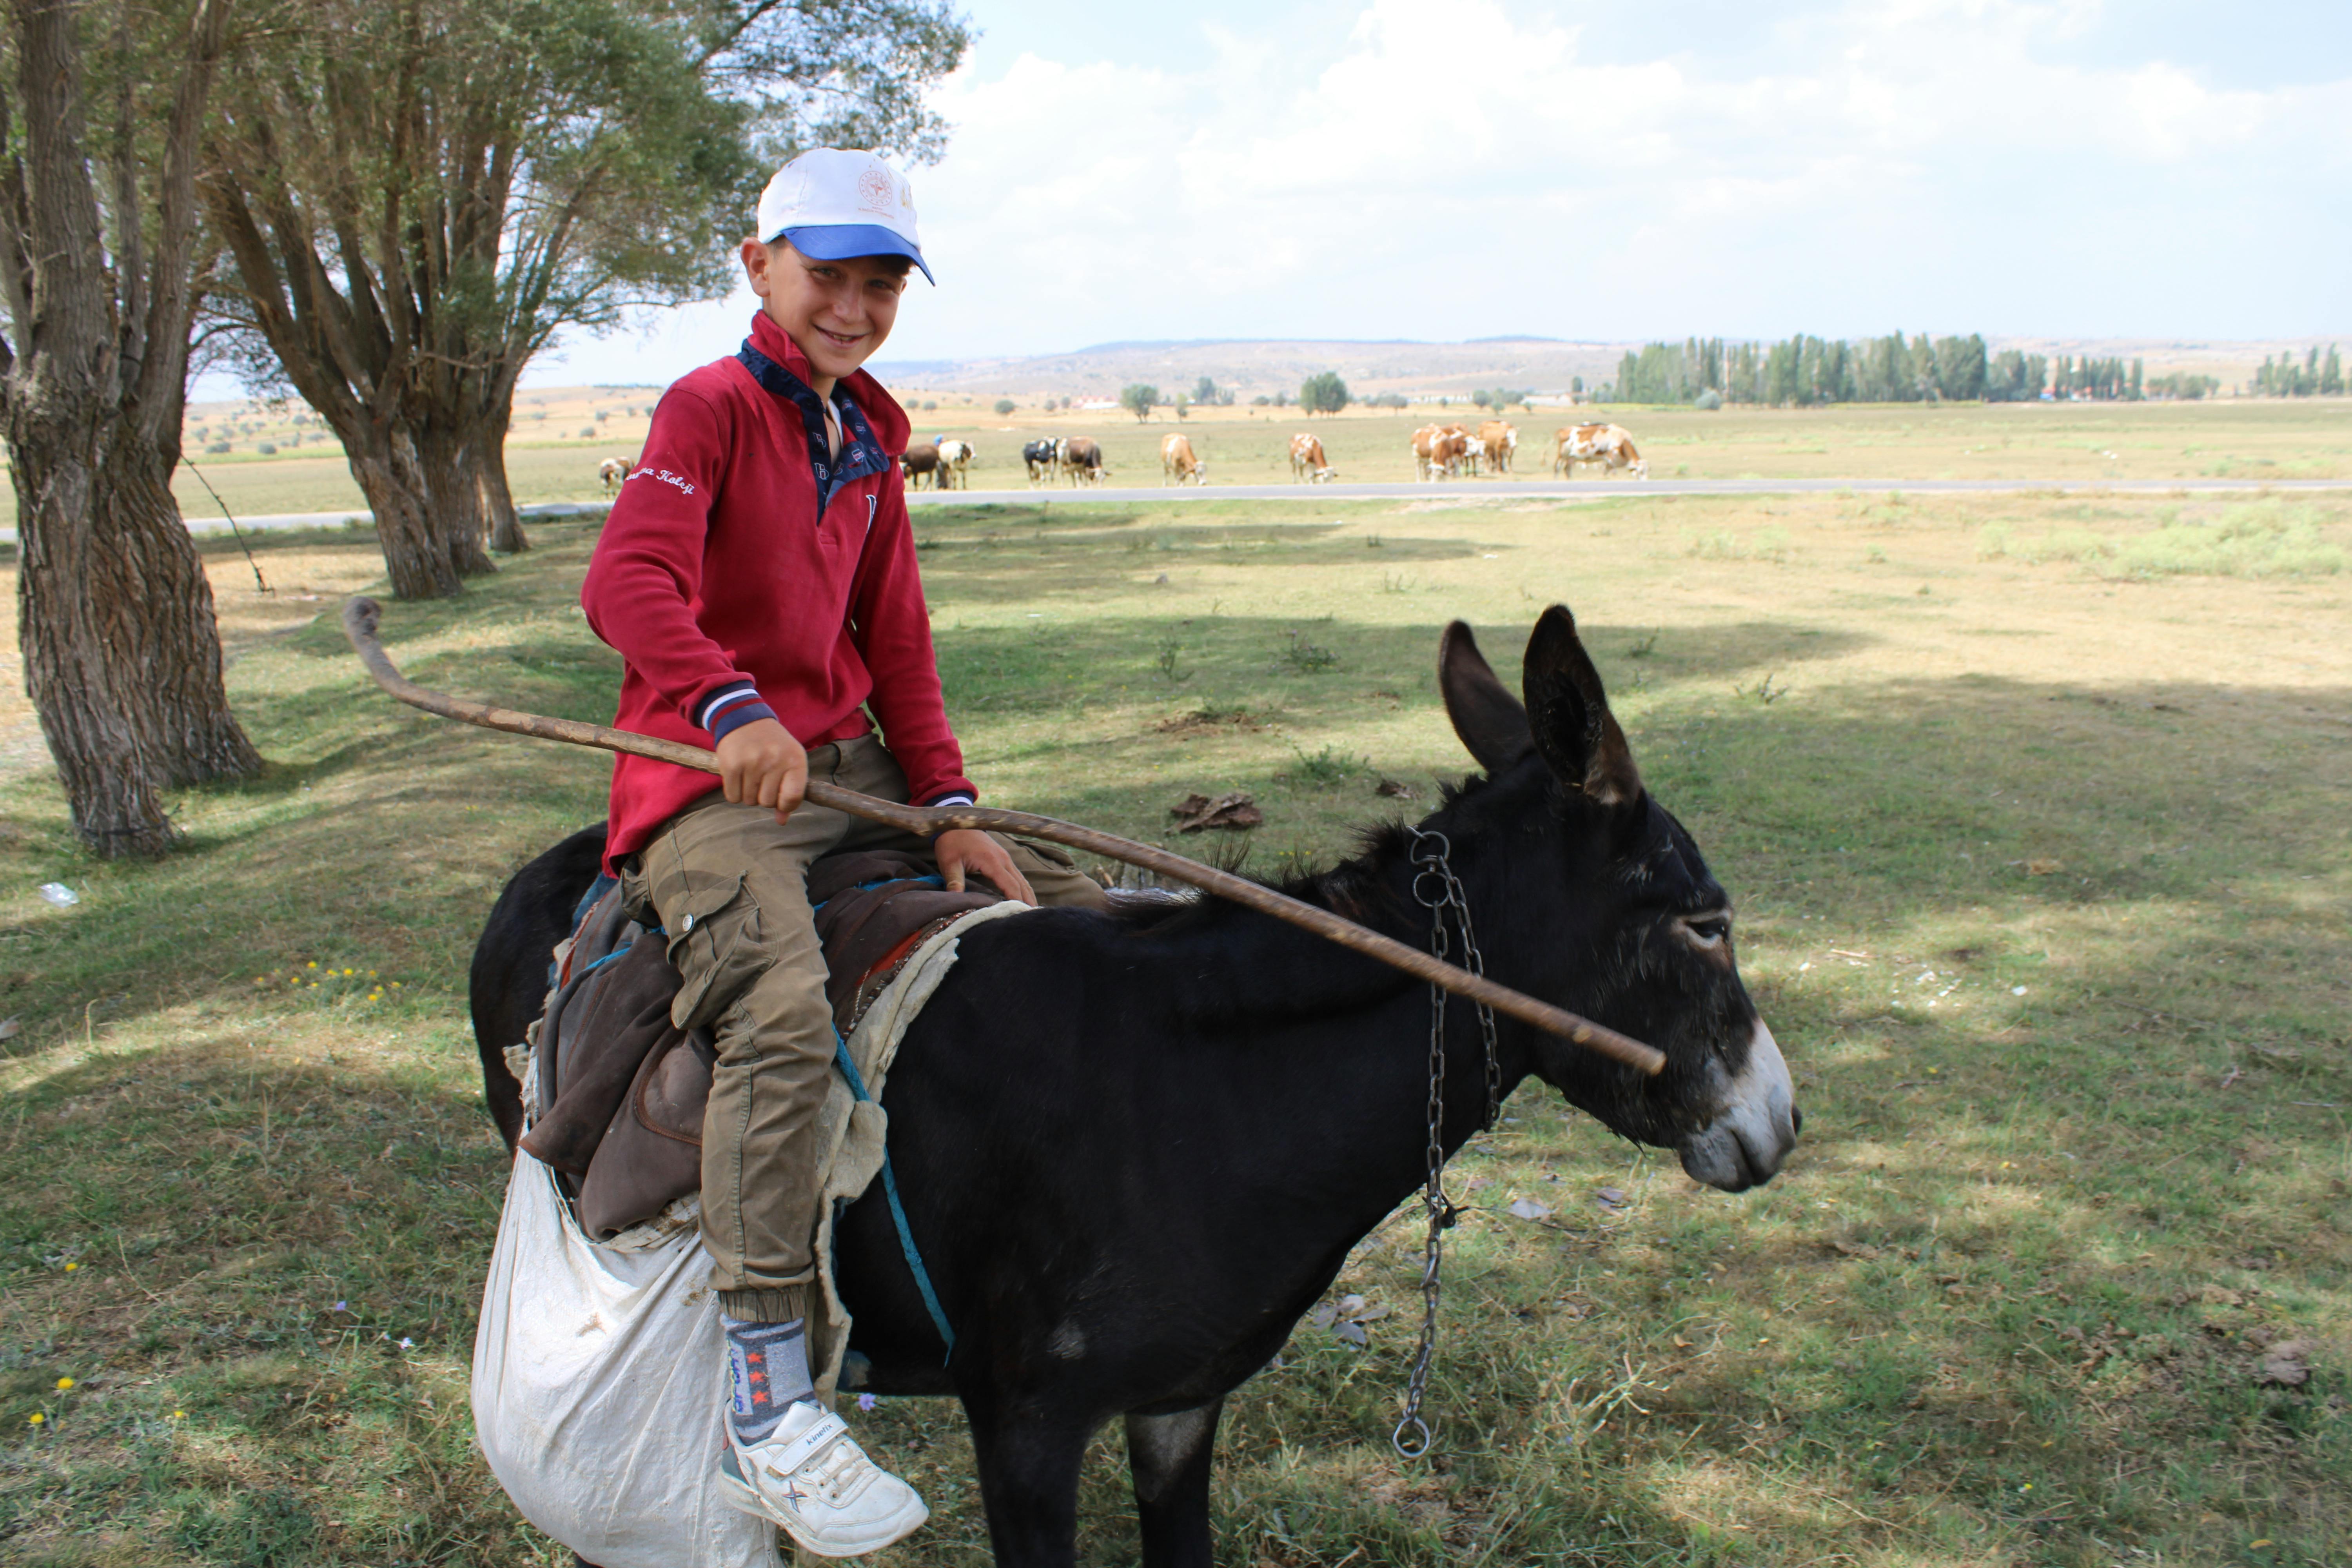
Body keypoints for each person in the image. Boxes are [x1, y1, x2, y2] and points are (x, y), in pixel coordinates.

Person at [579, 148, 1107, 1558]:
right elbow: (627, 579)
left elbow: (898, 641)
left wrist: (949, 804)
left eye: (881, 284)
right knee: (777, 1007)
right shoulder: (706, 410)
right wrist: (729, 706)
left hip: (847, 769)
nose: (854, 307)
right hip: (706, 783)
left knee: (1082, 908)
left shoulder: (869, 433)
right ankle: (765, 1397)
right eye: (828, 277)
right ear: (759, 268)